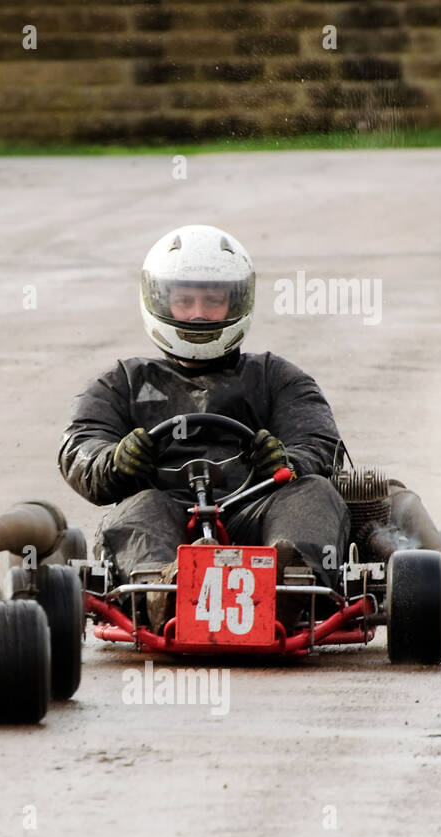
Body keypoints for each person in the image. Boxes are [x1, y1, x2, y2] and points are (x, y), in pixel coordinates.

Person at [58, 224, 351, 632]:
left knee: (314, 492)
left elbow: (319, 441)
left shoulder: (276, 377)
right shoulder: (124, 382)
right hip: (164, 515)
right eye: (185, 300)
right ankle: (164, 592)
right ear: (159, 301)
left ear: (237, 302)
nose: (198, 313)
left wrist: (288, 461)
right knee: (138, 508)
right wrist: (114, 462)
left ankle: (287, 588)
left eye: (213, 301)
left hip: (256, 508)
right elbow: (80, 444)